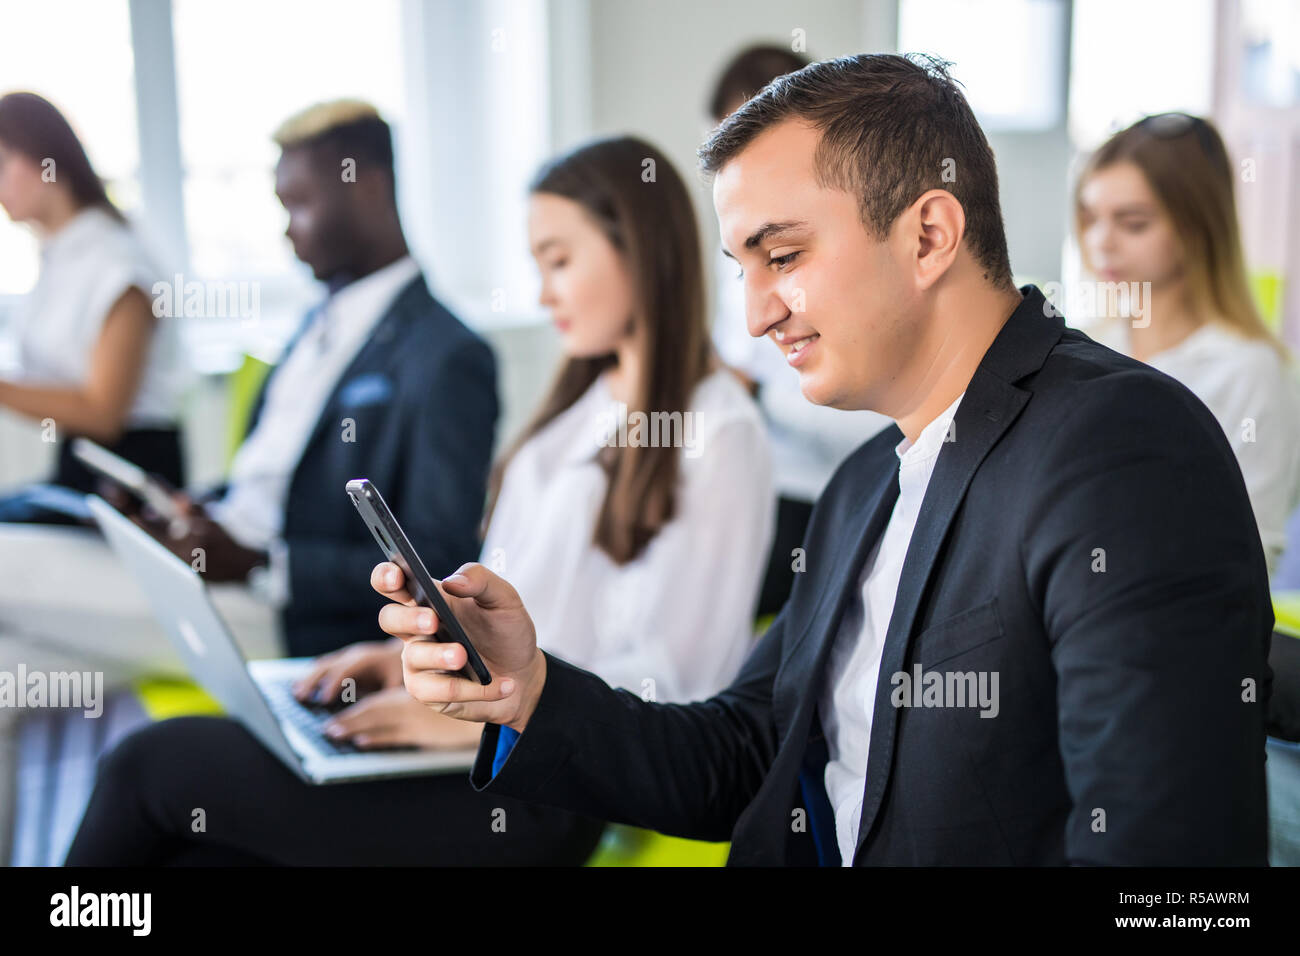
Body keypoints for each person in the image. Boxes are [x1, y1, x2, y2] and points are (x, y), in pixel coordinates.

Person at [371, 54, 1271, 866]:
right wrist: (526, 686)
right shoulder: (866, 484)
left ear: (928, 236)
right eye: (743, 269)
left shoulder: (1122, 445)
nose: (758, 315)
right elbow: (748, 752)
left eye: (785, 255)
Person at [65, 136, 774, 866]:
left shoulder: (718, 432)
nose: (541, 294)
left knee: (149, 766)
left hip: (547, 786)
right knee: (203, 853)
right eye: (536, 267)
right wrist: (414, 660)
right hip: (497, 730)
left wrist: (485, 721)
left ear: (641, 249)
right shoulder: (577, 409)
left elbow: (683, 688)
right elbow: (522, 611)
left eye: (559, 261)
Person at [1, 100, 498, 866]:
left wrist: (265, 561)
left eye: (298, 204)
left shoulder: (446, 354)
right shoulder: (313, 326)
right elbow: (268, 481)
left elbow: (435, 556)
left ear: (364, 185)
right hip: (218, 572)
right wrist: (198, 506)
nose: (285, 229)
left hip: (286, 615)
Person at [1074, 112, 1300, 577]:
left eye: (1132, 223)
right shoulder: (1084, 345)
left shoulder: (1249, 371)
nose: (1101, 243)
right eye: (1091, 218)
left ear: (1196, 226)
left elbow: (1252, 553)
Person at [707, 46, 891, 616]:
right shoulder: (741, 248)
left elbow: (870, 428)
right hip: (753, 475)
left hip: (810, 491)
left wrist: (754, 391)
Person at [0, 91, 188, 521]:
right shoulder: (57, 258)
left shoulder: (116, 261)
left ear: (43, 156)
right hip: (78, 468)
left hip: (130, 482)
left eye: (1, 164)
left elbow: (104, 412)